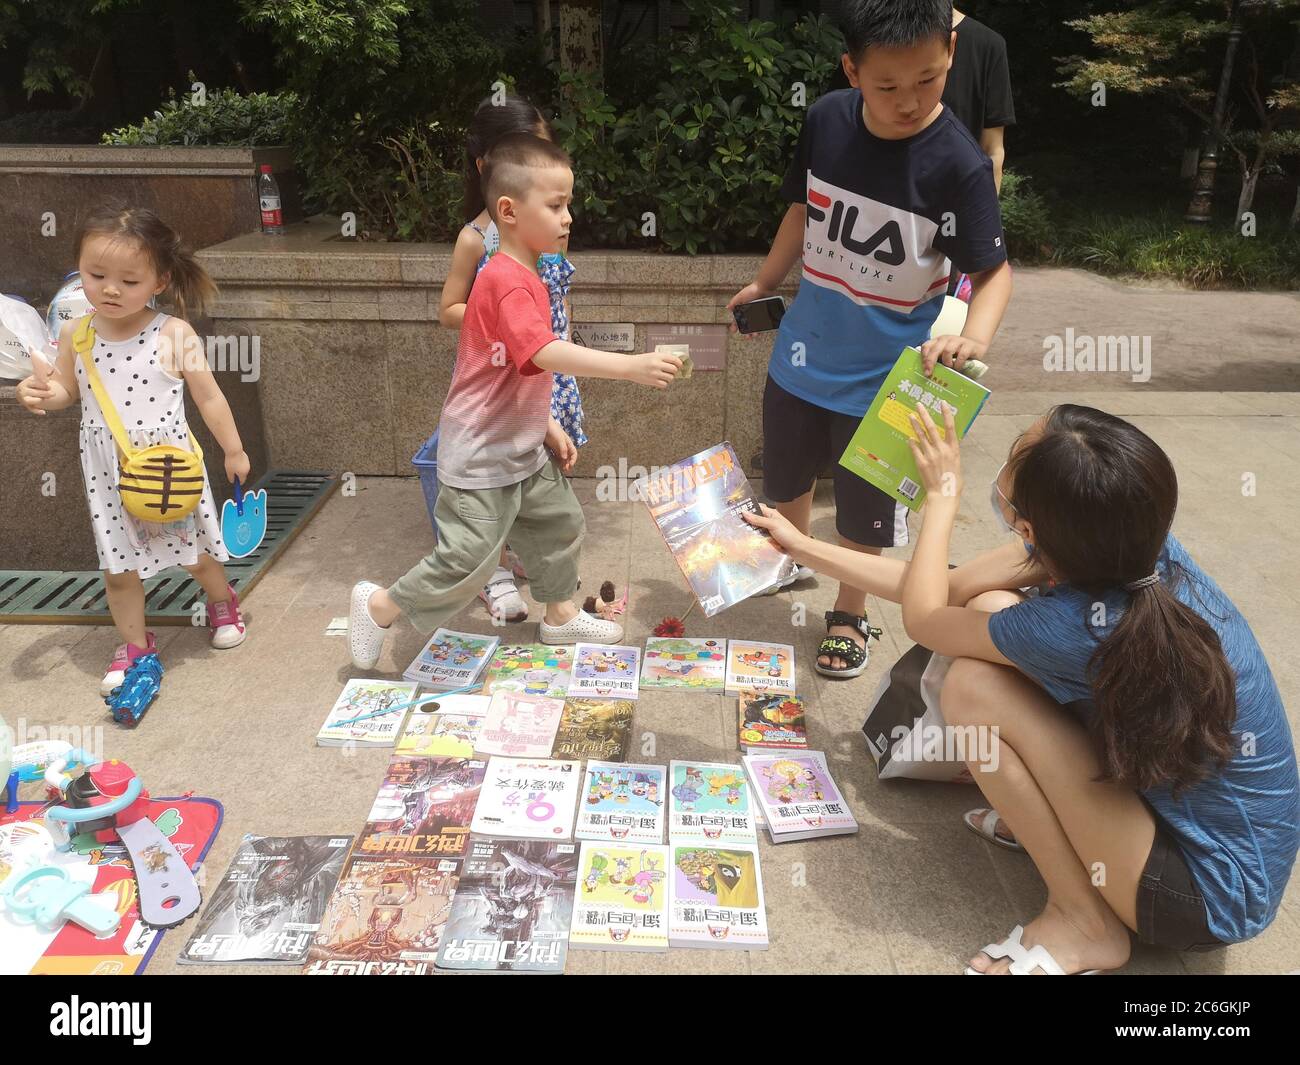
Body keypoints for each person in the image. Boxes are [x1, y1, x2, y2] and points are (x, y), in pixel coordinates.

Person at [746, 402, 1300, 974]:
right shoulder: (1126, 543)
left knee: (973, 688)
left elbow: (925, 619)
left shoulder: (1070, 626)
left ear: (1030, 526)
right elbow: (947, 588)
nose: (1008, 457)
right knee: (987, 609)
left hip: (1205, 896)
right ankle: (1067, 833)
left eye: (1016, 454)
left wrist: (942, 496)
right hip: (1197, 832)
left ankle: (1084, 923)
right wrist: (802, 545)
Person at [727, 0, 1012, 679]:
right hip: (800, 355)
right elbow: (801, 206)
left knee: (864, 509)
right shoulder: (826, 120)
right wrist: (763, 280)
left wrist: (973, 337)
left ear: (950, 50)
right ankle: (791, 559)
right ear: (852, 68)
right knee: (788, 479)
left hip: (885, 381)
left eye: (930, 79)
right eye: (887, 86)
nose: (909, 101)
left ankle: (850, 610)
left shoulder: (960, 165)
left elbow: (994, 273)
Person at [348, 134, 681, 666]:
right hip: (480, 458)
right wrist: (631, 366)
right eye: (555, 205)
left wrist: (546, 422)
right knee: (469, 561)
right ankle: (381, 606)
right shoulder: (506, 279)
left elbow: (517, 369)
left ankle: (561, 617)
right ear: (508, 210)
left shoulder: (525, 274)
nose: (568, 217)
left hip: (519, 448)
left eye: (568, 203)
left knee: (559, 524)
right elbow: (543, 351)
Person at [15, 203, 250, 694]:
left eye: (129, 280)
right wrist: (36, 392)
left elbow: (209, 396)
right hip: (107, 474)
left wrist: (233, 450)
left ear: (160, 281)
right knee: (118, 567)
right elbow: (65, 391)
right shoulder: (74, 334)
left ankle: (221, 599)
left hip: (168, 469)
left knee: (193, 553)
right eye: (96, 275)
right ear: (79, 272)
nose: (110, 289)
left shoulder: (173, 333)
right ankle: (137, 645)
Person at [439, 94, 586, 623]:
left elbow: (556, 291)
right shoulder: (477, 239)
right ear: (488, 168)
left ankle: (537, 561)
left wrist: (556, 334)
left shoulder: (546, 229)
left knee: (540, 471)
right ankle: (493, 570)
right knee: (493, 484)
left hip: (549, 371)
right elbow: (450, 308)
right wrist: (500, 321)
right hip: (508, 366)